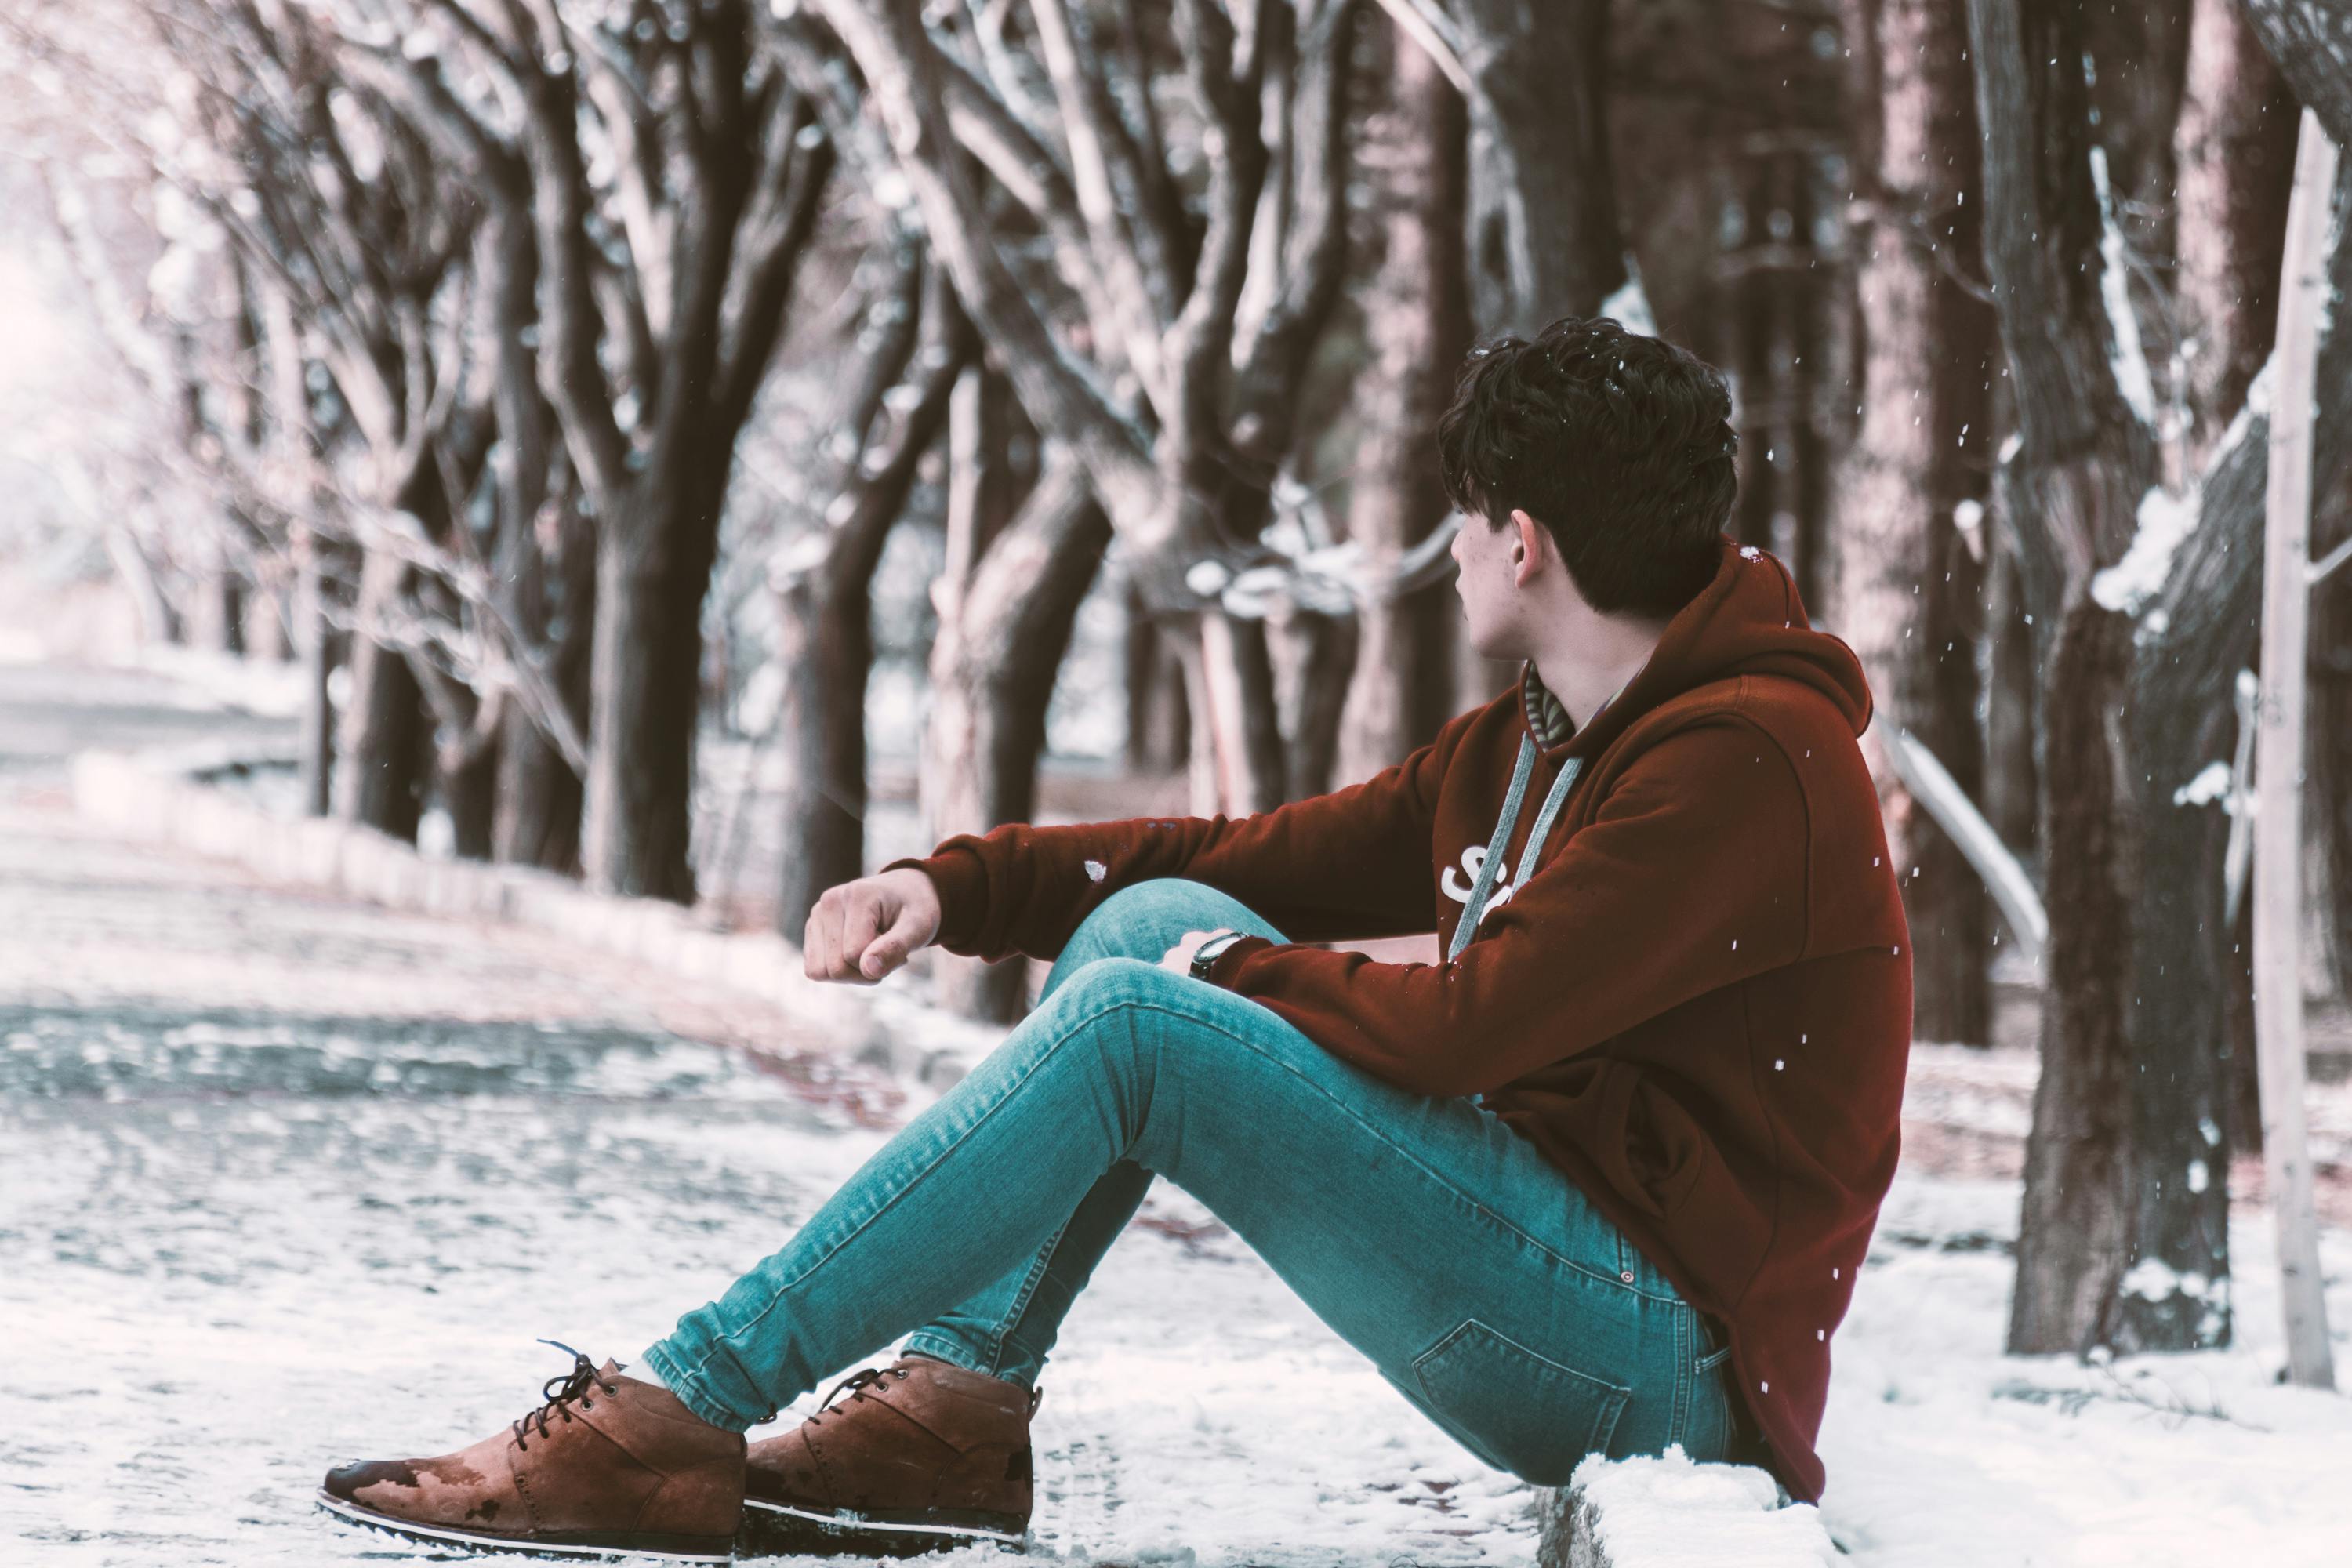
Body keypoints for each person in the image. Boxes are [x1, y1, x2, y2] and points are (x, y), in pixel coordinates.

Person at [318, 314, 1911, 1562]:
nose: (1454, 552)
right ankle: (946, 1415)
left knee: (1150, 1013)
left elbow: (1467, 1028)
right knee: (1160, 923)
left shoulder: (1749, 762)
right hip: (1566, 1257)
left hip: (1664, 1363)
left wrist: (1210, 987)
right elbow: (1237, 861)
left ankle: (673, 1409)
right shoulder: (1544, 734)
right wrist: (960, 887)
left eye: (1463, 524)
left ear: (1520, 543)